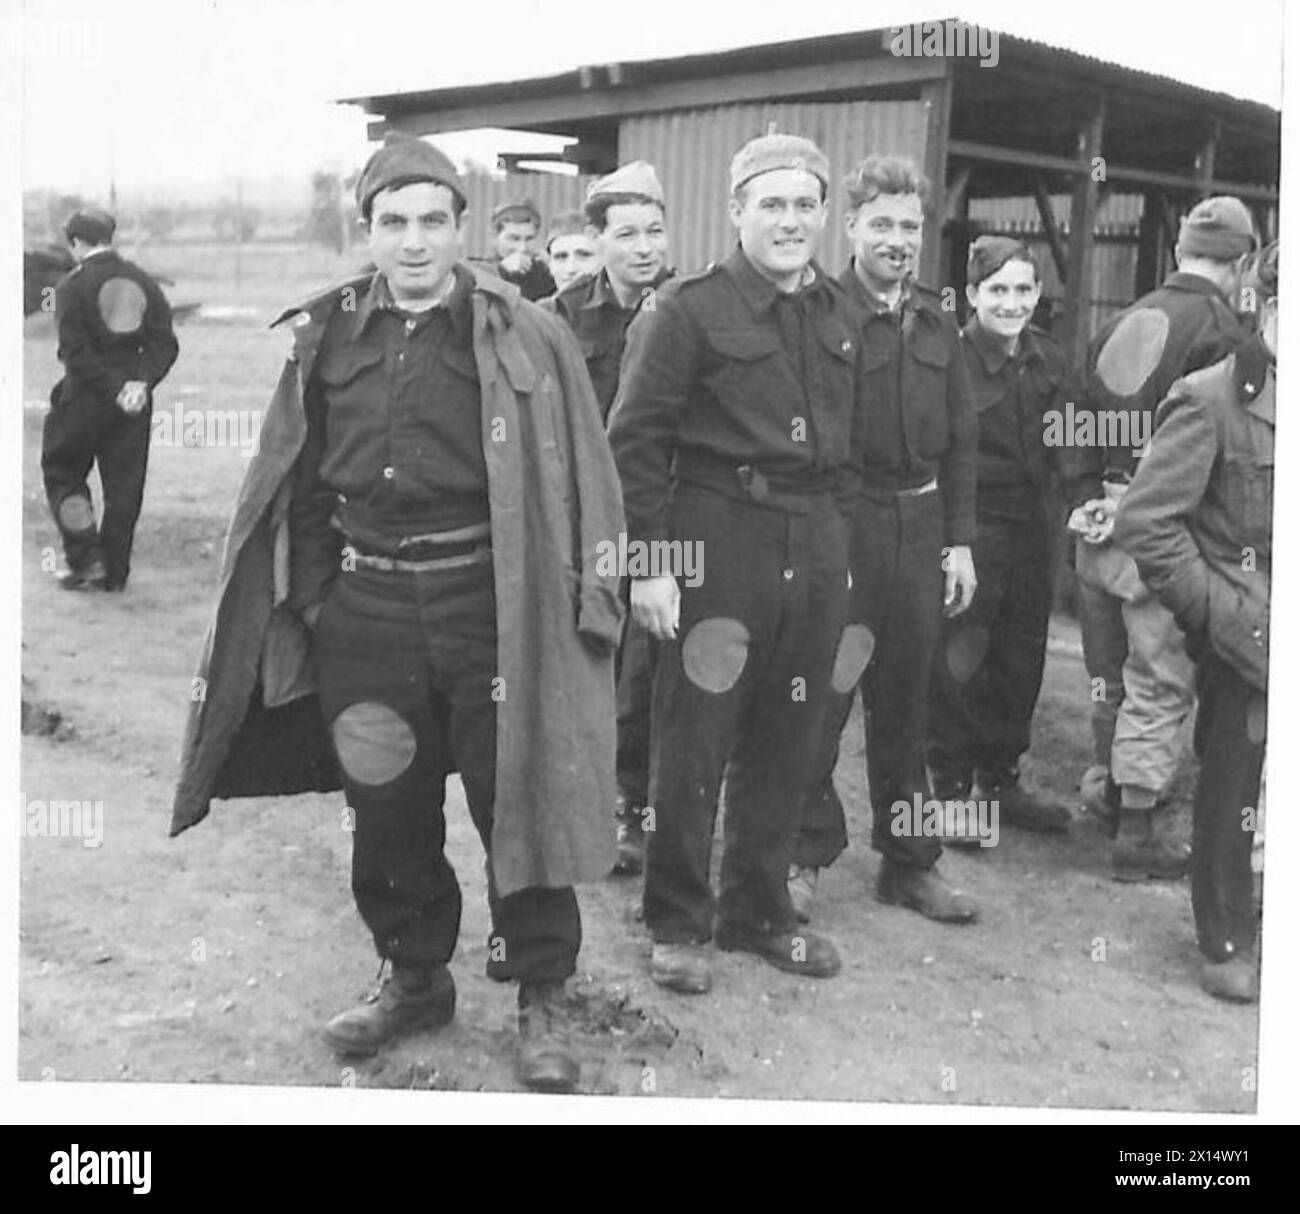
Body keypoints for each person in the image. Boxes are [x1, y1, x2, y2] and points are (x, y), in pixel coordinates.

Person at [170, 133, 625, 1093]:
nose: (413, 243)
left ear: (463, 228)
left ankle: (541, 989)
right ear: (366, 231)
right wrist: (314, 601)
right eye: (392, 223)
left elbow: (589, 470)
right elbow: (293, 477)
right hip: (367, 607)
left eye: (432, 221)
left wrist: (598, 592)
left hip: (492, 604)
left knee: (519, 791)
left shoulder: (524, 331)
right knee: (385, 800)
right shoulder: (328, 332)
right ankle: (414, 973)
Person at [608, 133, 859, 994]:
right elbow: (633, 444)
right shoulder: (685, 310)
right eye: (772, 204)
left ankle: (758, 908)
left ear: (824, 214)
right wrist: (648, 566)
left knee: (792, 735)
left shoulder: (835, 310)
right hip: (718, 537)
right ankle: (678, 921)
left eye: (804, 205)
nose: (790, 221)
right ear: (737, 211)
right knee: (695, 737)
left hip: (815, 538)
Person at [788, 154, 980, 926]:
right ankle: (800, 858)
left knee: (907, 703)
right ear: (852, 227)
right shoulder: (819, 313)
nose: (899, 239)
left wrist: (959, 541)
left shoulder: (936, 319)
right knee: (822, 703)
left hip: (920, 528)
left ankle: (909, 863)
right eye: (883, 224)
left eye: (911, 225)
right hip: (846, 526)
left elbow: (963, 439)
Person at [1066, 196, 1254, 882]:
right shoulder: (1225, 334)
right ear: (1241, 263)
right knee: (1160, 678)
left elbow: (1077, 421)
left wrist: (1086, 497)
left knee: (1106, 675)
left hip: (1100, 522)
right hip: (1163, 528)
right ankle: (1139, 827)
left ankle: (1111, 792)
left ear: (1178, 253)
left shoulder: (1118, 320)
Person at [1112, 239, 1275, 1003]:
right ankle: (1226, 935)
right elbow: (1148, 522)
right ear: (1267, 304)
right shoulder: (1212, 399)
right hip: (1248, 633)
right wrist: (1223, 615)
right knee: (1235, 782)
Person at [545, 161, 673, 875]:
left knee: (657, 668)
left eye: (655, 230)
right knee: (593, 657)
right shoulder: (561, 317)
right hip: (589, 521)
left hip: (666, 517)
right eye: (627, 234)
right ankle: (592, 805)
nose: (645, 248)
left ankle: (644, 806)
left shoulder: (687, 304)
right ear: (598, 241)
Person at [927, 236, 1072, 841]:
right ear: (971, 295)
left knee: (1021, 656)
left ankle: (1001, 779)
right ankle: (952, 788)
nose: (1011, 303)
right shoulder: (947, 360)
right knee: (962, 654)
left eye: (1022, 290)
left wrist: (1090, 497)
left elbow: (1073, 438)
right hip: (972, 524)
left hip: (1034, 525)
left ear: (1037, 294)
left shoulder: (1051, 360)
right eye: (997, 290)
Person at [42, 208, 178, 591]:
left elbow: (75, 352)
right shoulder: (144, 282)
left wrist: (111, 386)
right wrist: (140, 382)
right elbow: (164, 342)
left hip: (84, 398)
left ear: (76, 243)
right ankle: (115, 572)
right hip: (134, 402)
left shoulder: (70, 287)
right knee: (124, 489)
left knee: (64, 473)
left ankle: (87, 561)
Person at [483, 198, 556, 301]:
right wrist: (501, 270)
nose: (522, 248)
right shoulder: (478, 271)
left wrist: (554, 268)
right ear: (494, 237)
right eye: (514, 238)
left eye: (529, 239)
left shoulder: (544, 273)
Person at [544, 210, 599, 292]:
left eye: (583, 256)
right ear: (550, 265)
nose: (570, 269)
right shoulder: (536, 305)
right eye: (560, 257)